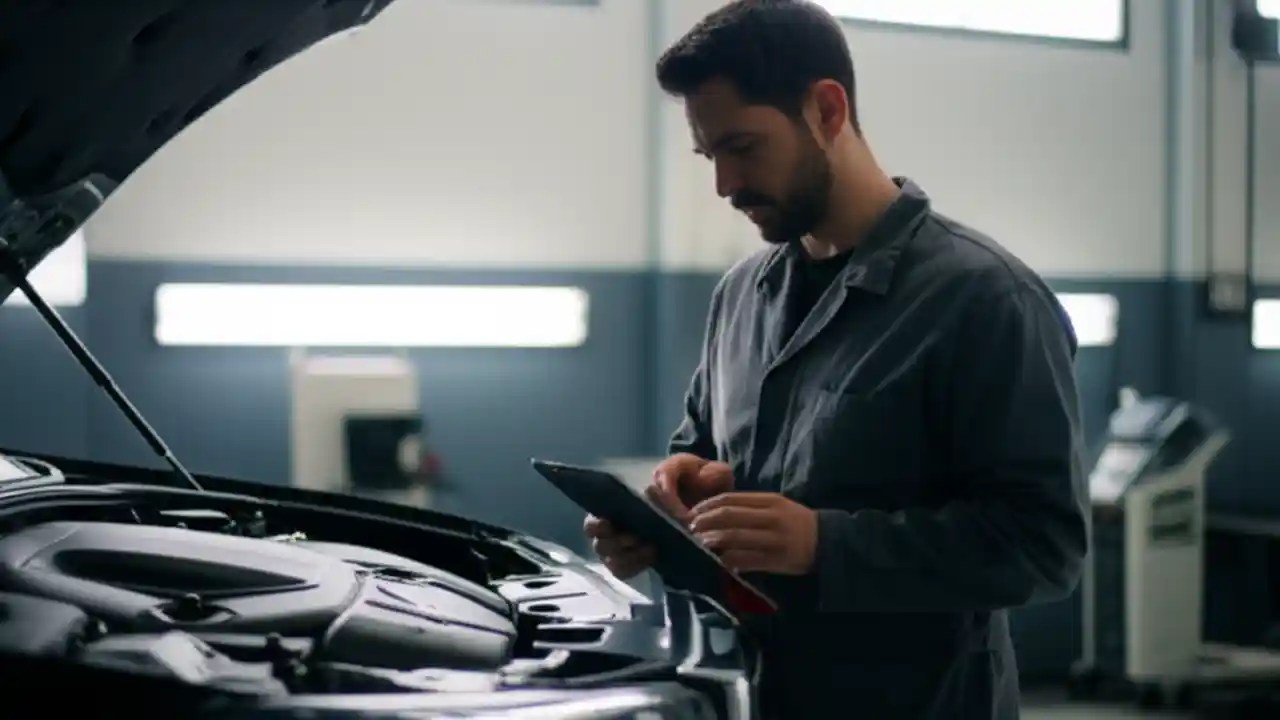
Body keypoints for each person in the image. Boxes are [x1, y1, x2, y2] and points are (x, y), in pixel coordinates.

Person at [584, 1, 1089, 718]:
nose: (725, 185)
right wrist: (672, 502)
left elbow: (1045, 545)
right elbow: (701, 445)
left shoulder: (985, 301)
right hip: (752, 695)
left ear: (826, 109)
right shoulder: (741, 296)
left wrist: (828, 545)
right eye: (710, 157)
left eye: (744, 147)